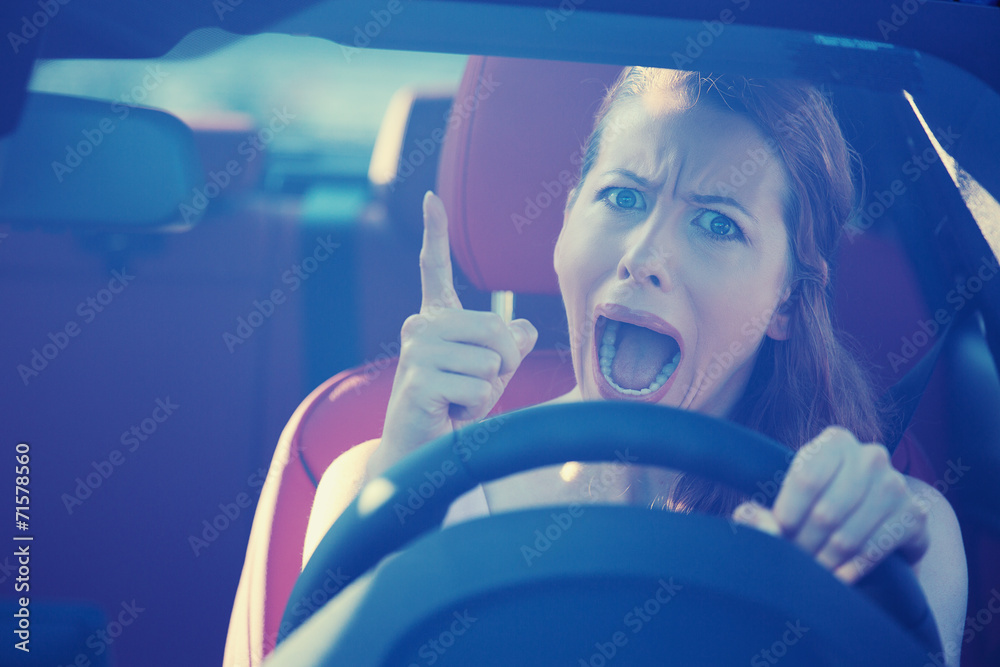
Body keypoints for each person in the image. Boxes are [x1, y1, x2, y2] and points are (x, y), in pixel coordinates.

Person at [303, 67, 967, 664]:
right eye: (623, 197)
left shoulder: (892, 540)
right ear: (564, 224)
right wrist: (406, 506)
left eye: (716, 223)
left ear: (786, 299)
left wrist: (823, 616)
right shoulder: (379, 484)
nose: (646, 254)